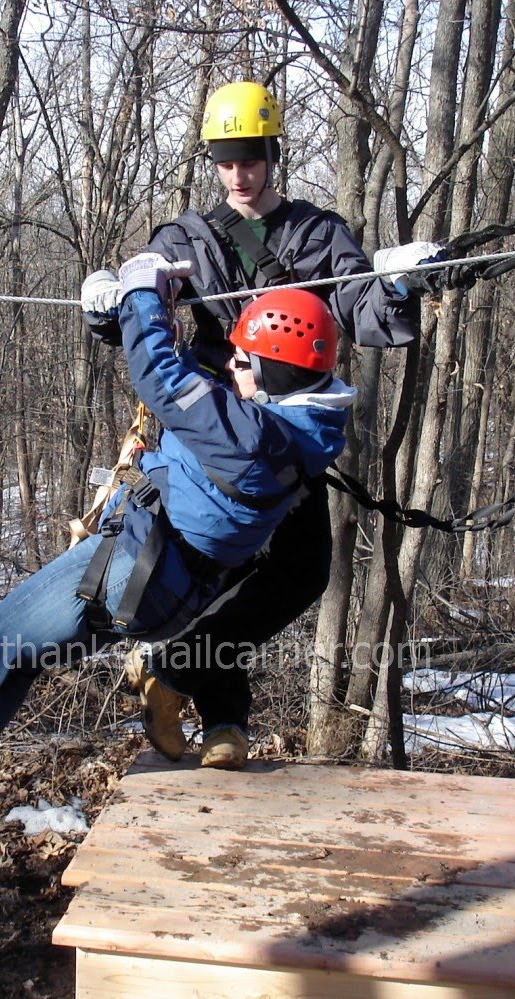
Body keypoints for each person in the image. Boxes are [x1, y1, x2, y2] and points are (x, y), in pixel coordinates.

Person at [0, 255, 356, 825]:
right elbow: (206, 374)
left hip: (130, 567)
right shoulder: (301, 430)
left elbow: (160, 375)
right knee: (18, 657)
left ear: (273, 374)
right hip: (157, 594)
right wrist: (136, 313)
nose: (233, 370)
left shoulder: (251, 436)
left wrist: (140, 293)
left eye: (246, 363)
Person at [80, 80, 436, 769]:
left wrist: (396, 285)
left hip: (285, 436)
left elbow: (362, 307)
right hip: (210, 433)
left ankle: (175, 669)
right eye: (225, 159)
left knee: (300, 572)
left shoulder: (318, 234)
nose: (239, 174)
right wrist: (109, 305)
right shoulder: (185, 238)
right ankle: (224, 721)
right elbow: (146, 308)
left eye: (251, 157)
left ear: (274, 153)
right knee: (213, 571)